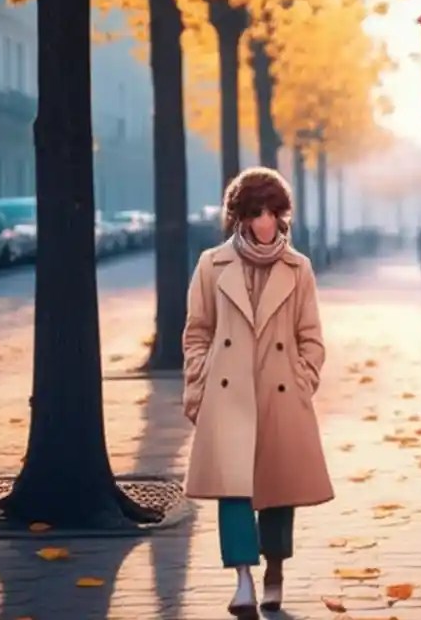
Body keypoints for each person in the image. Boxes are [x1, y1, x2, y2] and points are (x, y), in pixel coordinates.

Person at [181, 167, 333, 618]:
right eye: (254, 212)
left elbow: (312, 338)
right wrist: (201, 383)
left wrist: (302, 378)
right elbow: (197, 332)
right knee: (233, 492)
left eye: (271, 211)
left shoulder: (298, 268)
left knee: (277, 492)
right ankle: (243, 579)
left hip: (280, 394)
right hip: (228, 396)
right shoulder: (211, 264)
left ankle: (274, 573)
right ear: (240, 217)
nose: (264, 221)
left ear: (282, 215)